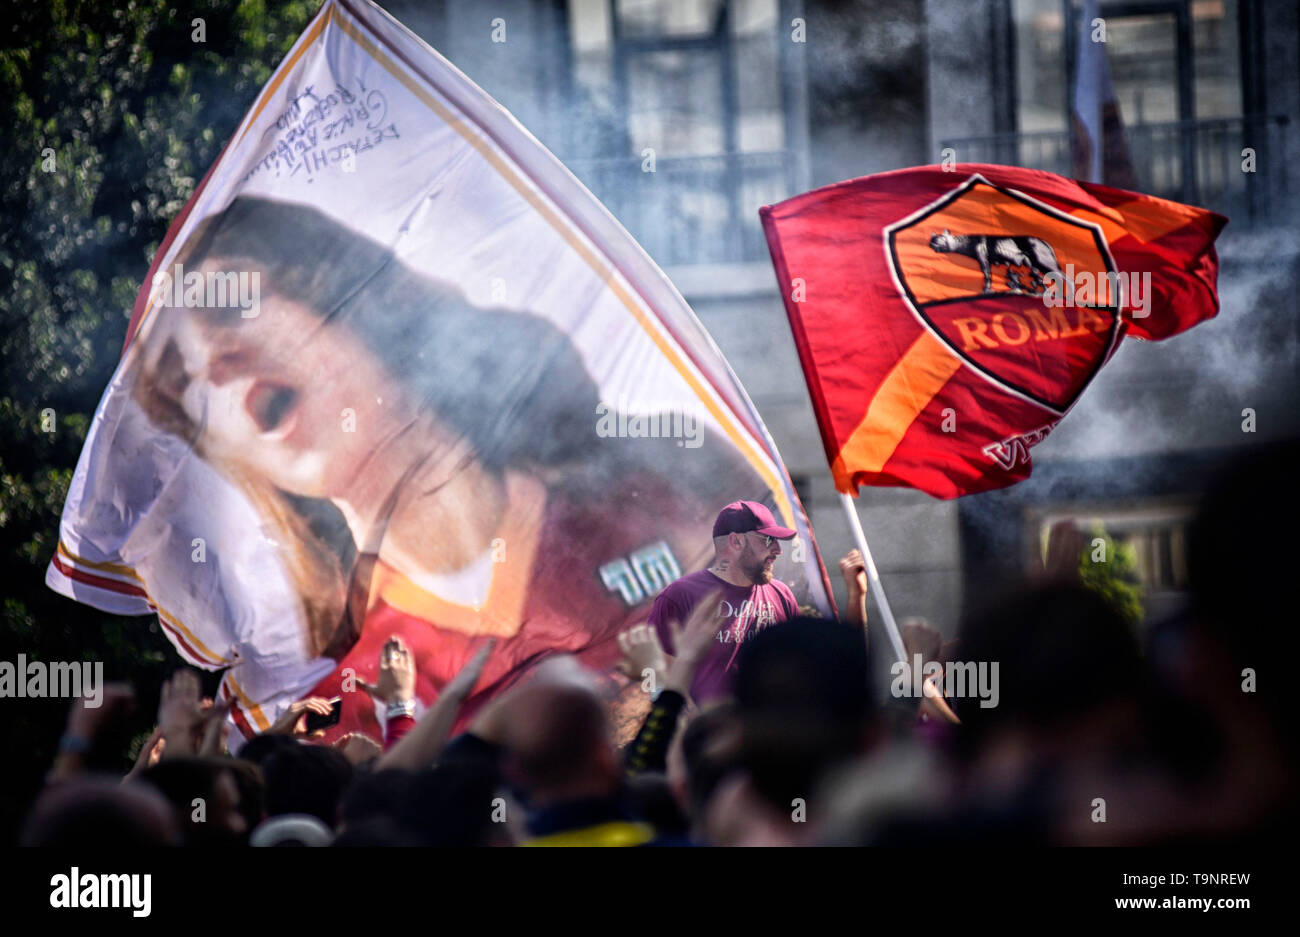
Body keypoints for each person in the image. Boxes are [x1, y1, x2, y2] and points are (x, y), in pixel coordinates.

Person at [125, 196, 821, 747]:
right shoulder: (349, 698)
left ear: (346, 291)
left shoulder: (671, 484)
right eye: (181, 380)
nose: (211, 366)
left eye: (227, 304)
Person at [646, 501, 800, 704]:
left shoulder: (782, 594)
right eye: (769, 539)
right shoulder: (679, 596)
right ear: (736, 541)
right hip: (710, 732)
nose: (778, 550)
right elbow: (655, 676)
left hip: (774, 731)